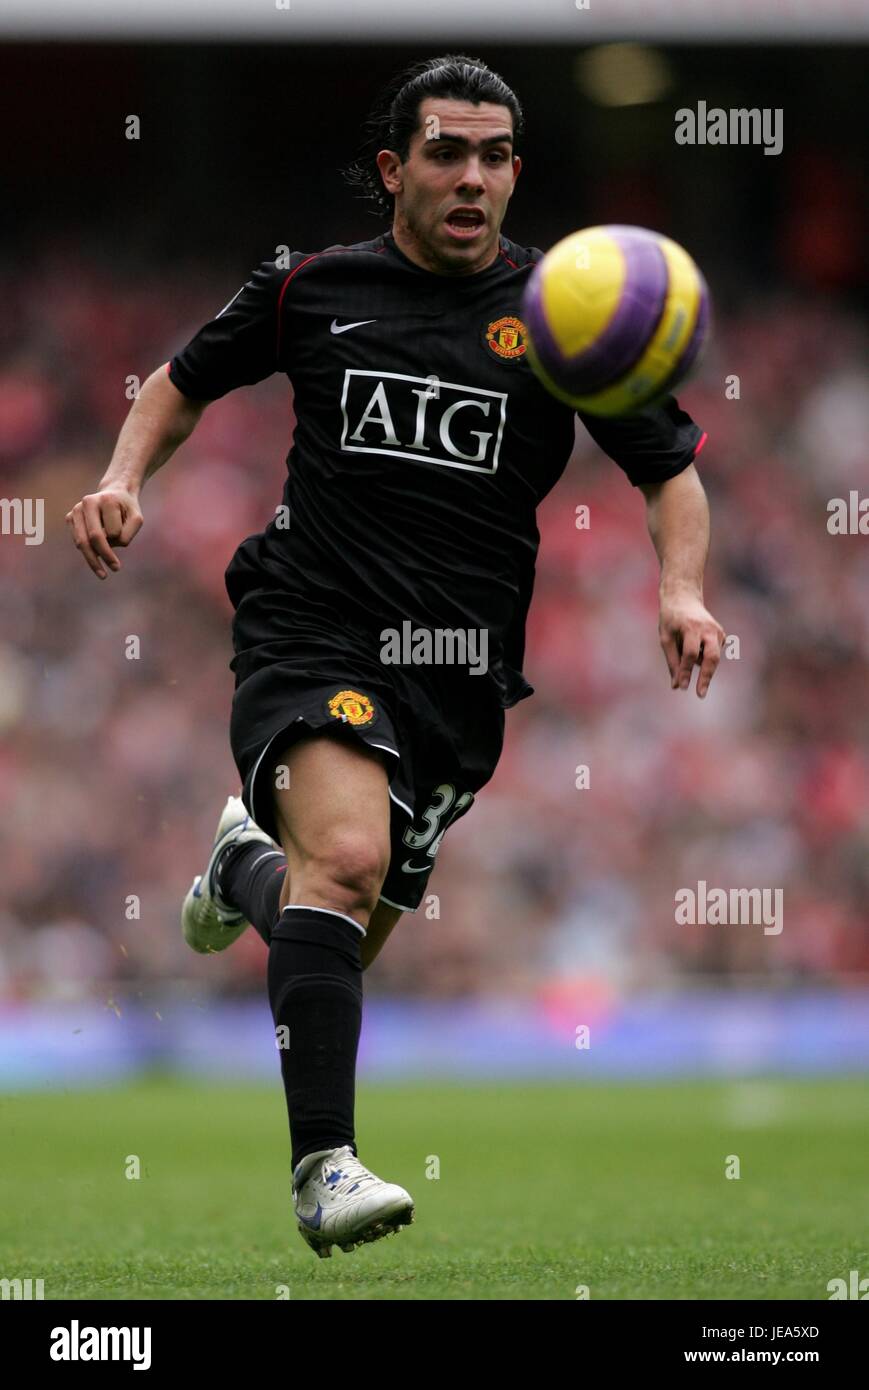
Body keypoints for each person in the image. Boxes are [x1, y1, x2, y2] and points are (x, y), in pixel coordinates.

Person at [66, 54, 725, 1259]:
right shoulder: (311, 287)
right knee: (351, 857)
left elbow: (668, 469)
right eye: (445, 153)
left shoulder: (567, 313)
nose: (471, 178)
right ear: (393, 169)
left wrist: (679, 592)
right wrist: (119, 478)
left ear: (515, 171)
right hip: (310, 624)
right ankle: (323, 1168)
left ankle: (241, 874)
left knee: (336, 924)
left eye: (493, 156)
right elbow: (178, 382)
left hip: (461, 678)